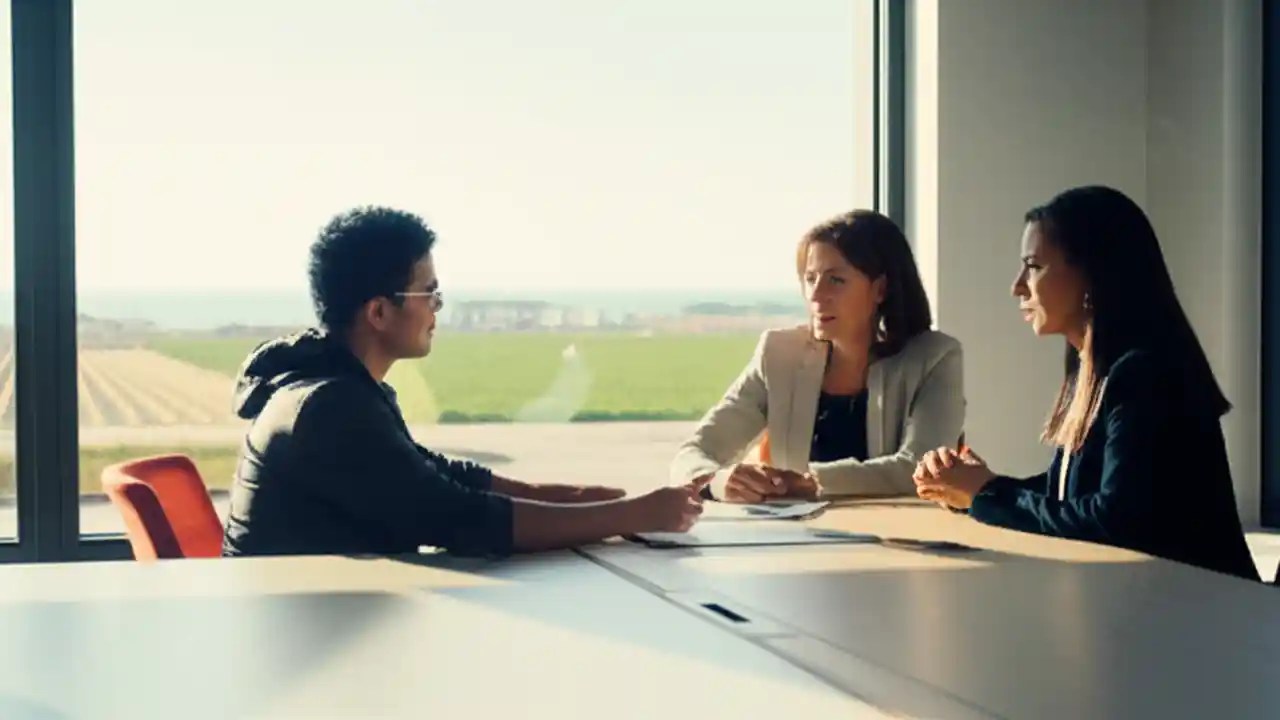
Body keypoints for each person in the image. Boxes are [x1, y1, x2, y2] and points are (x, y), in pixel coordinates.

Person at [223, 206, 704, 557]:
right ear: (379, 311)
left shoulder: (336, 385)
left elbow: (438, 475)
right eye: (429, 293)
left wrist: (575, 499)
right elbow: (460, 520)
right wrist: (634, 516)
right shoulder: (329, 407)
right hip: (293, 644)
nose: (437, 308)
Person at [913, 186, 1258, 580]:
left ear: (1094, 273)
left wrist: (987, 492)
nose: (1017, 286)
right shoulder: (1095, 369)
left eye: (1034, 266)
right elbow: (1074, 494)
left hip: (1212, 617)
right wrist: (971, 489)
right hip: (1155, 604)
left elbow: (1113, 520)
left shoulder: (1144, 374)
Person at [670, 210, 965, 502]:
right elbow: (693, 454)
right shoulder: (778, 354)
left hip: (901, 542)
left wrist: (813, 482)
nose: (816, 295)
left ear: (881, 289)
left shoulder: (936, 358)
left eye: (835, 280)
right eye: (811, 279)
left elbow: (920, 468)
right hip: (801, 540)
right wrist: (720, 481)